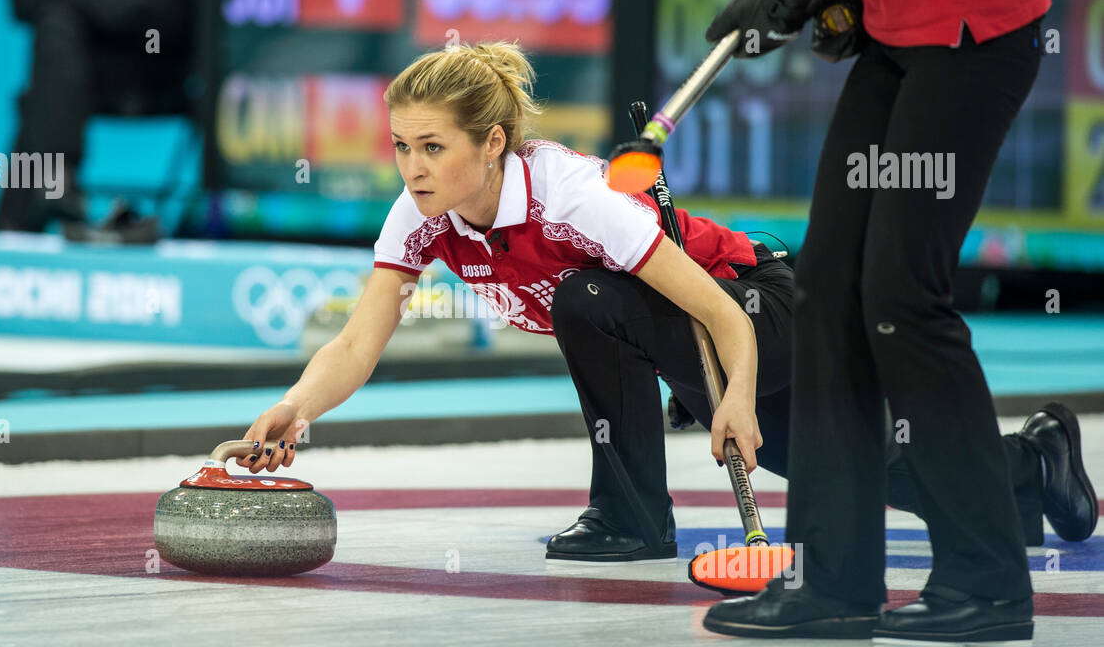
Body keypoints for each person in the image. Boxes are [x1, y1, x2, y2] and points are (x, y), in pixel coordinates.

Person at [223, 41, 1095, 568]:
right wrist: (297, 408)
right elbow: (358, 343)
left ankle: (631, 518)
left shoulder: (571, 195)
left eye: (432, 147)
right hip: (682, 340)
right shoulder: (420, 218)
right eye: (401, 147)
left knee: (583, 293)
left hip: (762, 305)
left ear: (492, 144)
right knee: (839, 466)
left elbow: (716, 313)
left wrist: (735, 397)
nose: (410, 168)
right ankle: (1029, 467)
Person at [699, 0, 1095, 643]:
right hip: (902, 38)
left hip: (971, 37)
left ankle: (986, 582)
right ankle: (833, 581)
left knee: (902, 299)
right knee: (828, 291)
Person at [0, 0, 196, 241]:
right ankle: (50, 191)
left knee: (50, 77)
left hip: (149, 71)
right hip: (70, 75)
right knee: (57, 38)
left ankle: (24, 217)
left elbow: (179, 13)